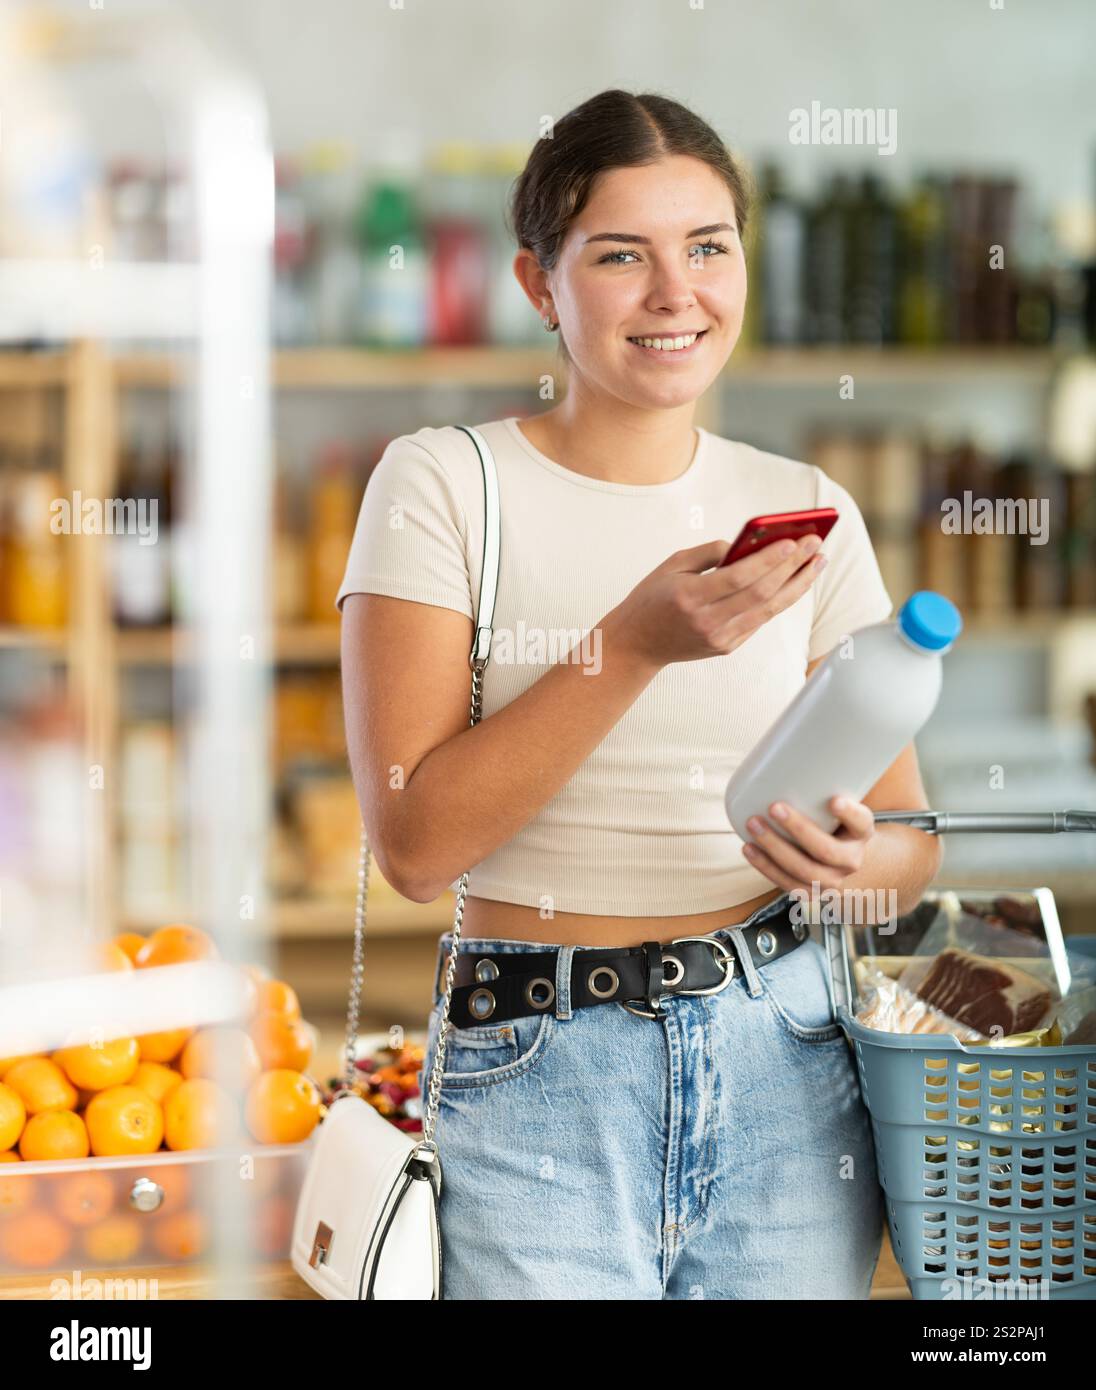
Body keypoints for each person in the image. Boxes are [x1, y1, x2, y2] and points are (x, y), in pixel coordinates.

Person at [337, 88, 942, 1299]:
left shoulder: (808, 506)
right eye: (621, 255)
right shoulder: (443, 486)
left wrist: (847, 864)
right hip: (539, 1068)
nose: (677, 295)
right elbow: (414, 846)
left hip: (788, 1058)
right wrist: (632, 644)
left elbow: (909, 847)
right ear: (538, 284)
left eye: (707, 248)